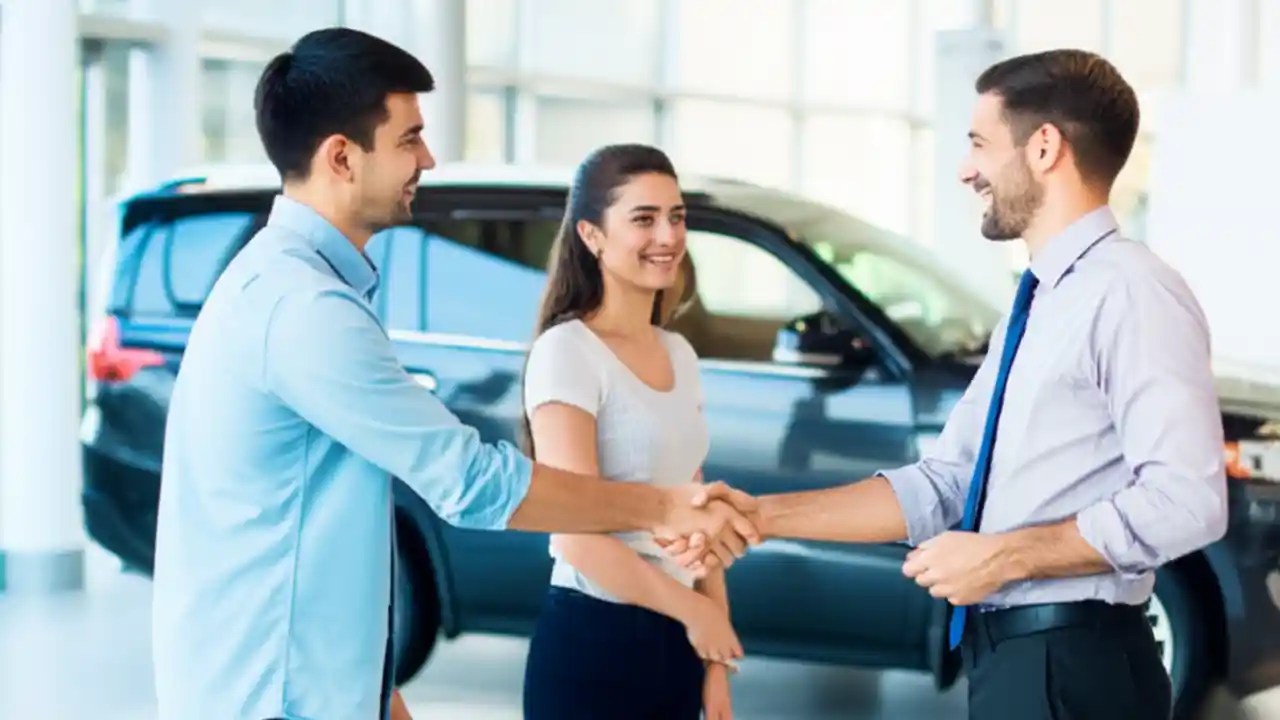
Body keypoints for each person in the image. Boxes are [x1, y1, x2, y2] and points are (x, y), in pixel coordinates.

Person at [150, 29, 758, 720]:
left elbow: (306, 522)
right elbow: (470, 483)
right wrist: (663, 505)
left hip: (303, 685)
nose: (428, 158)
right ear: (342, 158)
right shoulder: (303, 308)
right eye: (409, 139)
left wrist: (374, 688)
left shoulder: (293, 287)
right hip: (267, 696)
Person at [669, 49, 1228, 720]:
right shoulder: (1041, 304)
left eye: (979, 145)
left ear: (1044, 147)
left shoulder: (1132, 293)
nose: (967, 170)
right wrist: (761, 516)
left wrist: (1003, 558)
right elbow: (946, 483)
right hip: (1011, 661)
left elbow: (1188, 500)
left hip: (1075, 666)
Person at [518, 144, 738, 720]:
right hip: (595, 642)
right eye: (643, 219)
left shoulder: (678, 353)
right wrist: (696, 616)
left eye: (676, 216)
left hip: (679, 640)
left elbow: (697, 511)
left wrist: (717, 661)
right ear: (592, 236)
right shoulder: (567, 352)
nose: (667, 235)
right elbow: (573, 535)